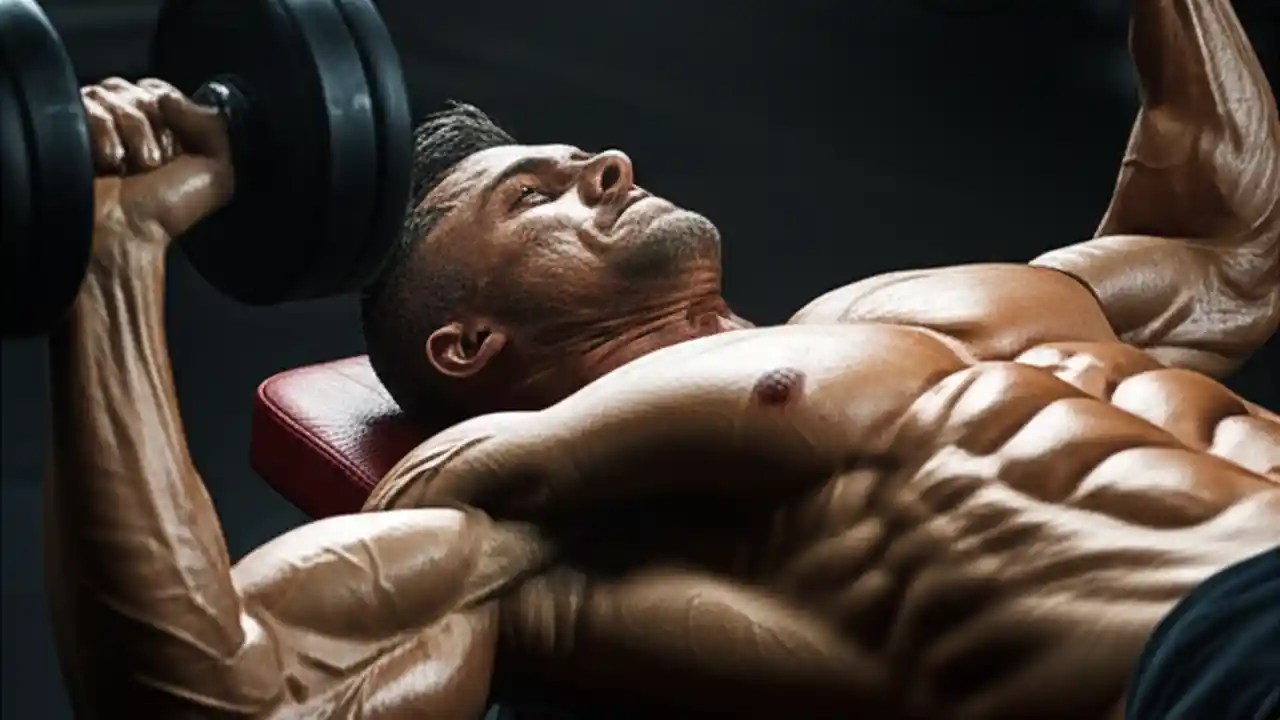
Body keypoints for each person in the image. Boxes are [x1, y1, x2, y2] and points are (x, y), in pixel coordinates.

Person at [43, 1, 1277, 719]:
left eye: (586, 162)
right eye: (537, 196)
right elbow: (216, 682)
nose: (610, 168)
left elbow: (1221, 240)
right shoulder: (535, 484)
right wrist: (112, 254)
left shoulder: (906, 306)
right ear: (465, 343)